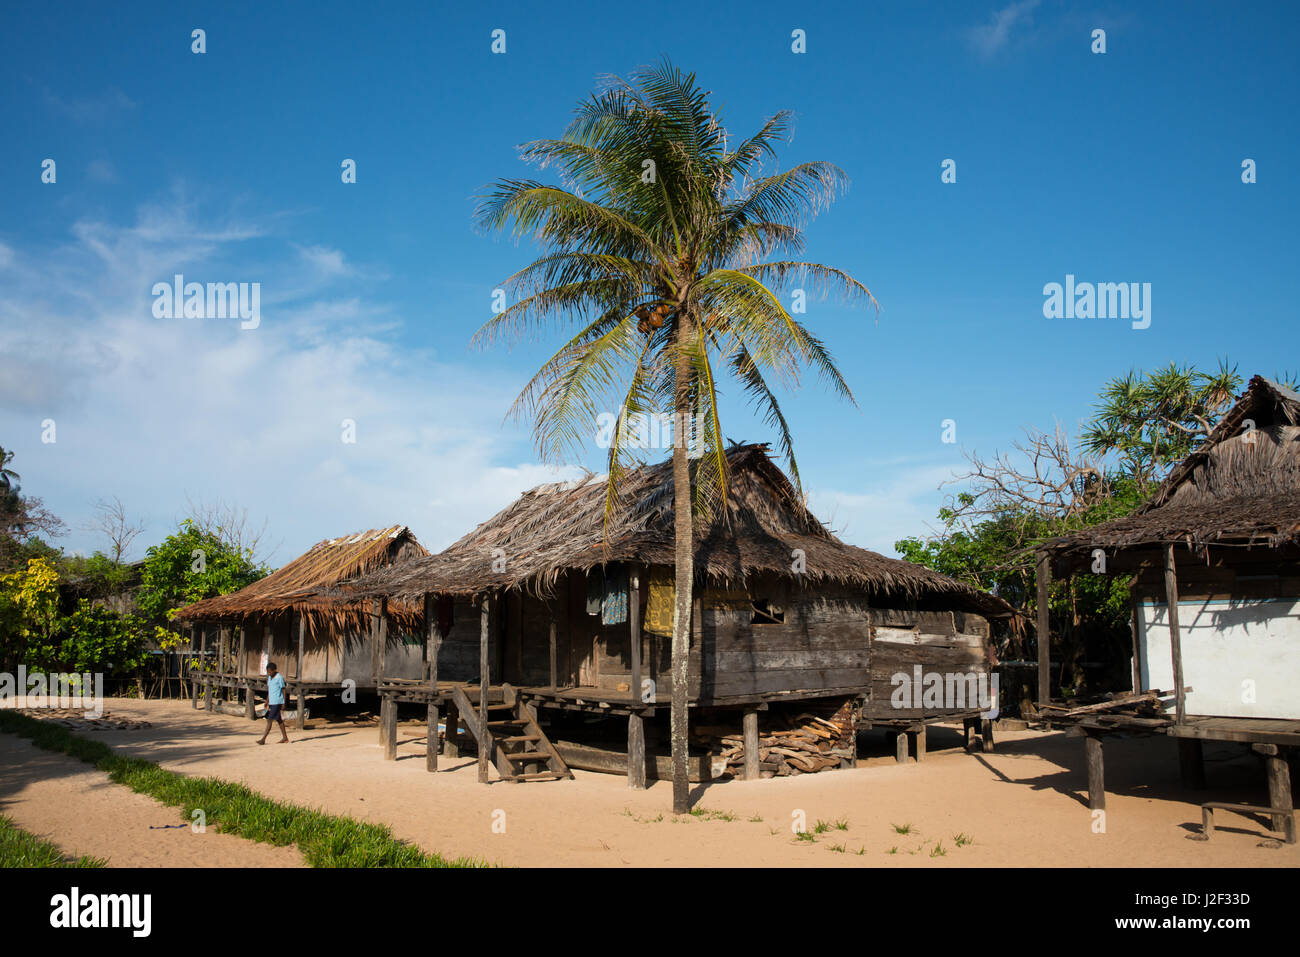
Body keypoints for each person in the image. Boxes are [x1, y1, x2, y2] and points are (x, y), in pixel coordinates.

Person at [257, 662, 289, 744]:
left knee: (269, 720)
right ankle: (285, 738)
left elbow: (283, 689)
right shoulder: (269, 678)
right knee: (279, 720)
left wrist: (284, 702)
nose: (269, 673)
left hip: (277, 702)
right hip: (272, 701)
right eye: (268, 672)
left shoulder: (279, 678)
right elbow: (269, 691)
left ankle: (263, 739)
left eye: (270, 671)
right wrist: (267, 701)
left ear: (274, 670)